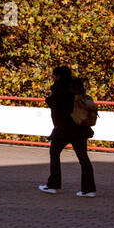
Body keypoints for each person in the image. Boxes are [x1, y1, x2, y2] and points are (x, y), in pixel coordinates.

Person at [40, 66, 97, 197]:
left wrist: (48, 99)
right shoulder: (77, 87)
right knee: (83, 158)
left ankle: (53, 184)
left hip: (64, 129)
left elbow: (57, 105)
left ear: (58, 76)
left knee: (54, 153)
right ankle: (89, 189)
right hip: (80, 127)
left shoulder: (59, 88)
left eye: (54, 75)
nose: (53, 78)